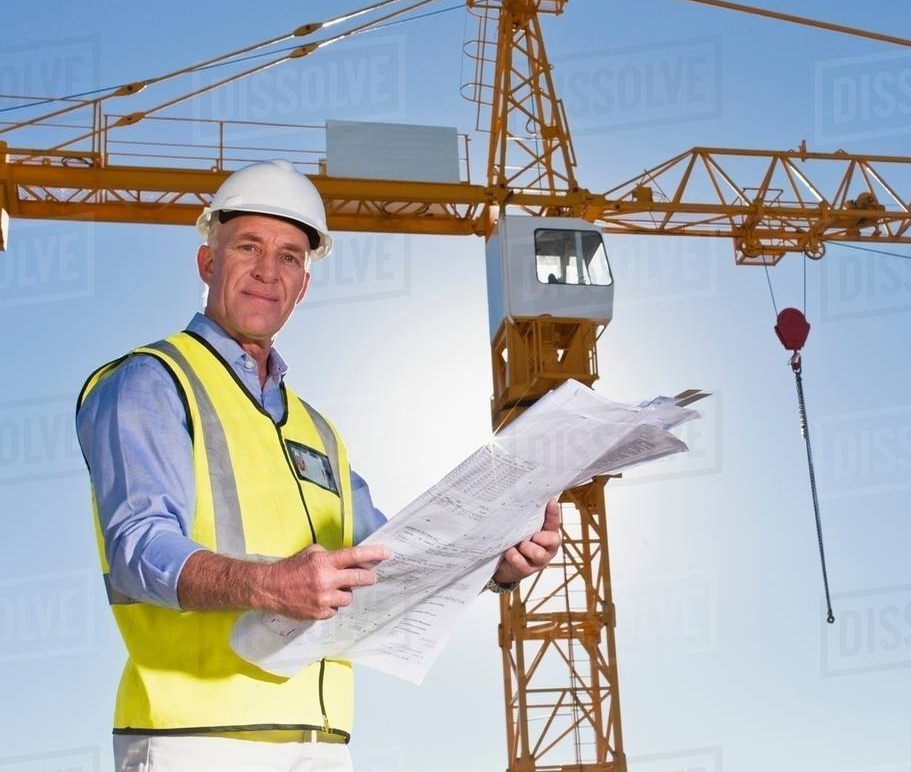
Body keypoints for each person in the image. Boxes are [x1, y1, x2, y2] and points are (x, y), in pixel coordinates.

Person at [75, 159, 561, 771]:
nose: (267, 271)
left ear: (303, 286)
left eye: (289, 257)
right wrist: (268, 585)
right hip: (197, 743)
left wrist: (495, 562)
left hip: (322, 749)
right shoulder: (153, 380)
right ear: (207, 264)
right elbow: (138, 550)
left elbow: (392, 561)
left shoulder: (319, 431)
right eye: (247, 246)